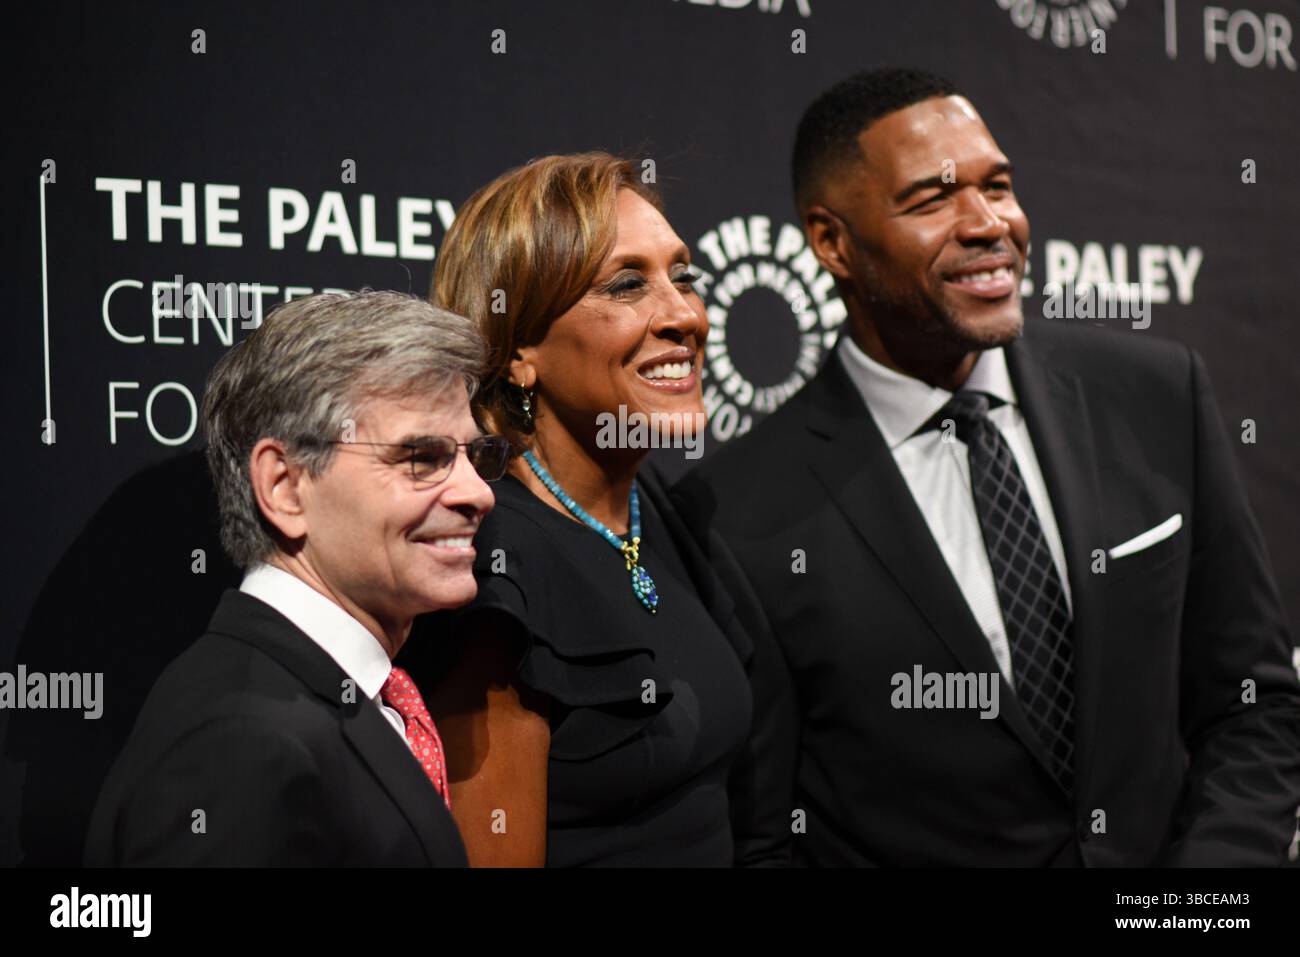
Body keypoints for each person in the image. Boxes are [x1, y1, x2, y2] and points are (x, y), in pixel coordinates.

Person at [672, 68, 1300, 866]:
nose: (988, 224)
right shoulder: (741, 509)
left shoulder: (1156, 396)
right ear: (831, 241)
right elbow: (765, 833)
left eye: (997, 185)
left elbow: (1252, 703)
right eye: (932, 200)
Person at [400, 153, 758, 867]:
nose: (684, 315)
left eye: (683, 276)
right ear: (519, 350)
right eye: (627, 284)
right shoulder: (496, 567)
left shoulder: (657, 511)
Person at [85, 290, 508, 866]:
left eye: (473, 457)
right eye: (422, 458)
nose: (477, 493)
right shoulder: (237, 744)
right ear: (284, 487)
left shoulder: (332, 694)